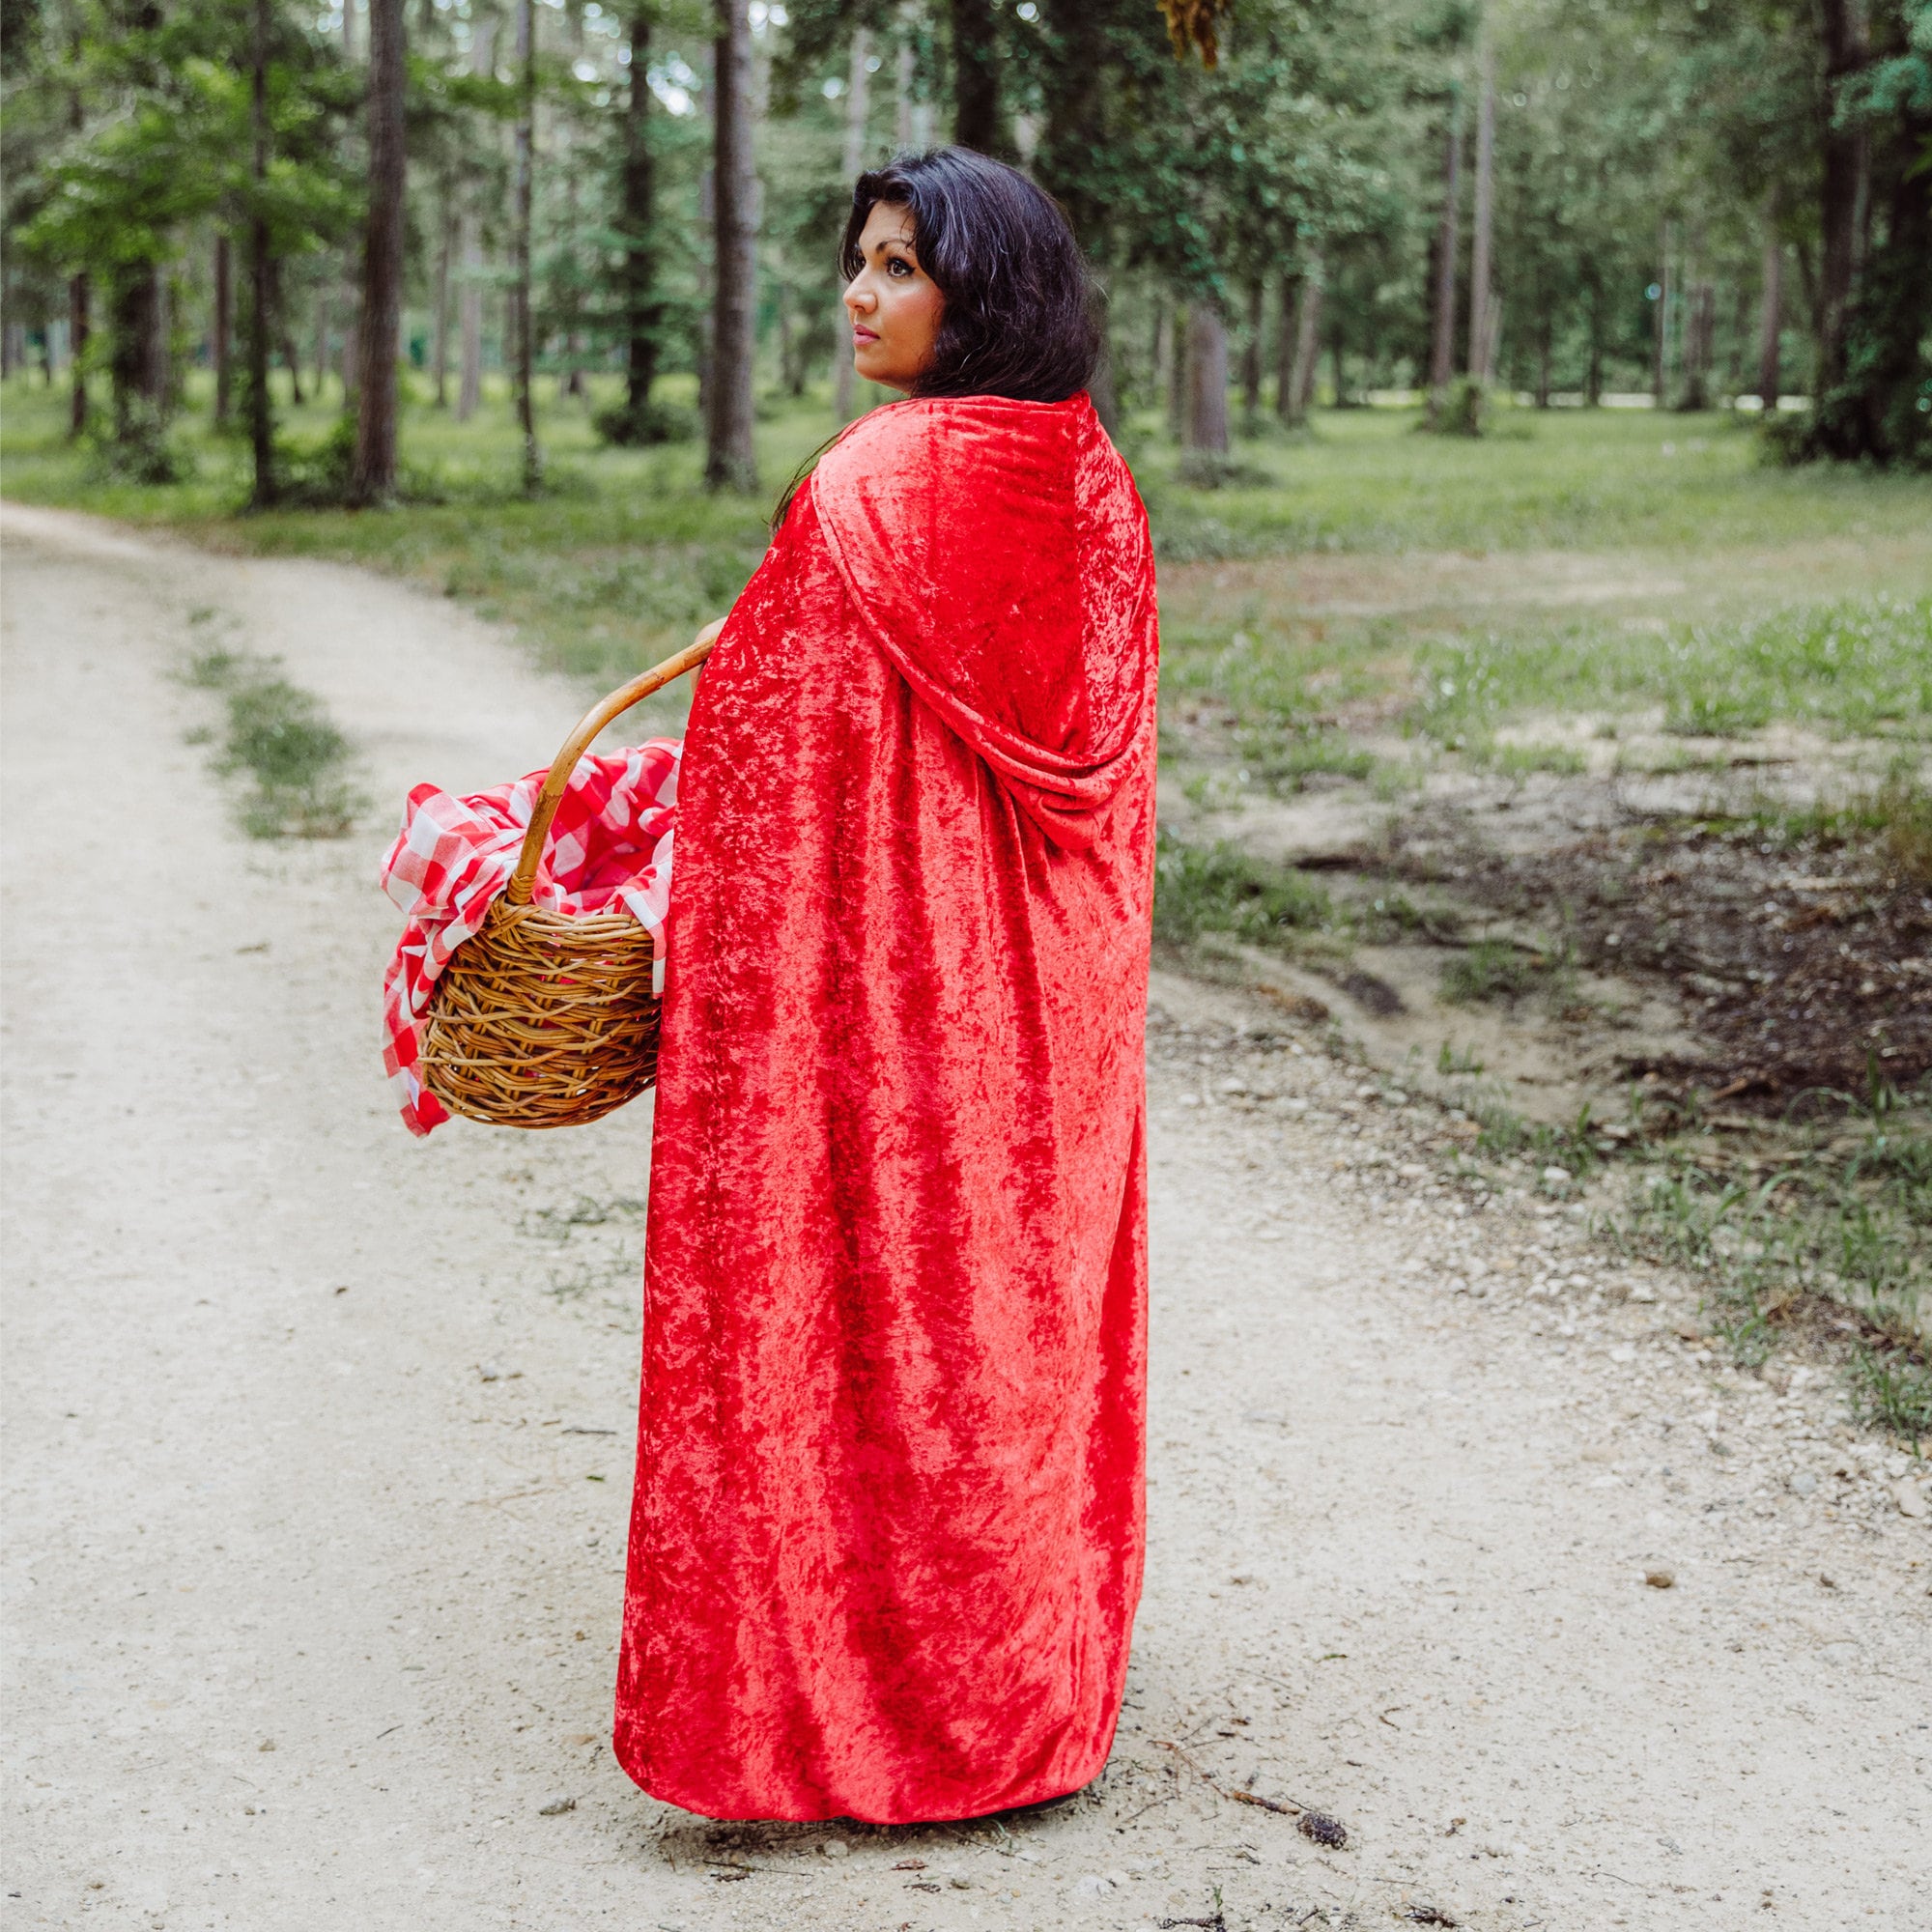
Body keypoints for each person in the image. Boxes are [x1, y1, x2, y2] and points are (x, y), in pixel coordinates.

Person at [614, 147, 1160, 1825]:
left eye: (900, 266)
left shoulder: (872, 489)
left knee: (857, 1320)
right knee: (1007, 1332)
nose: (859, 293)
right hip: (1051, 1025)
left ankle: (850, 1710)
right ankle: (1016, 1707)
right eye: (856, 261)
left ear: (981, 293)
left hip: (884, 1019)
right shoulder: (1099, 488)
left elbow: (772, 779)